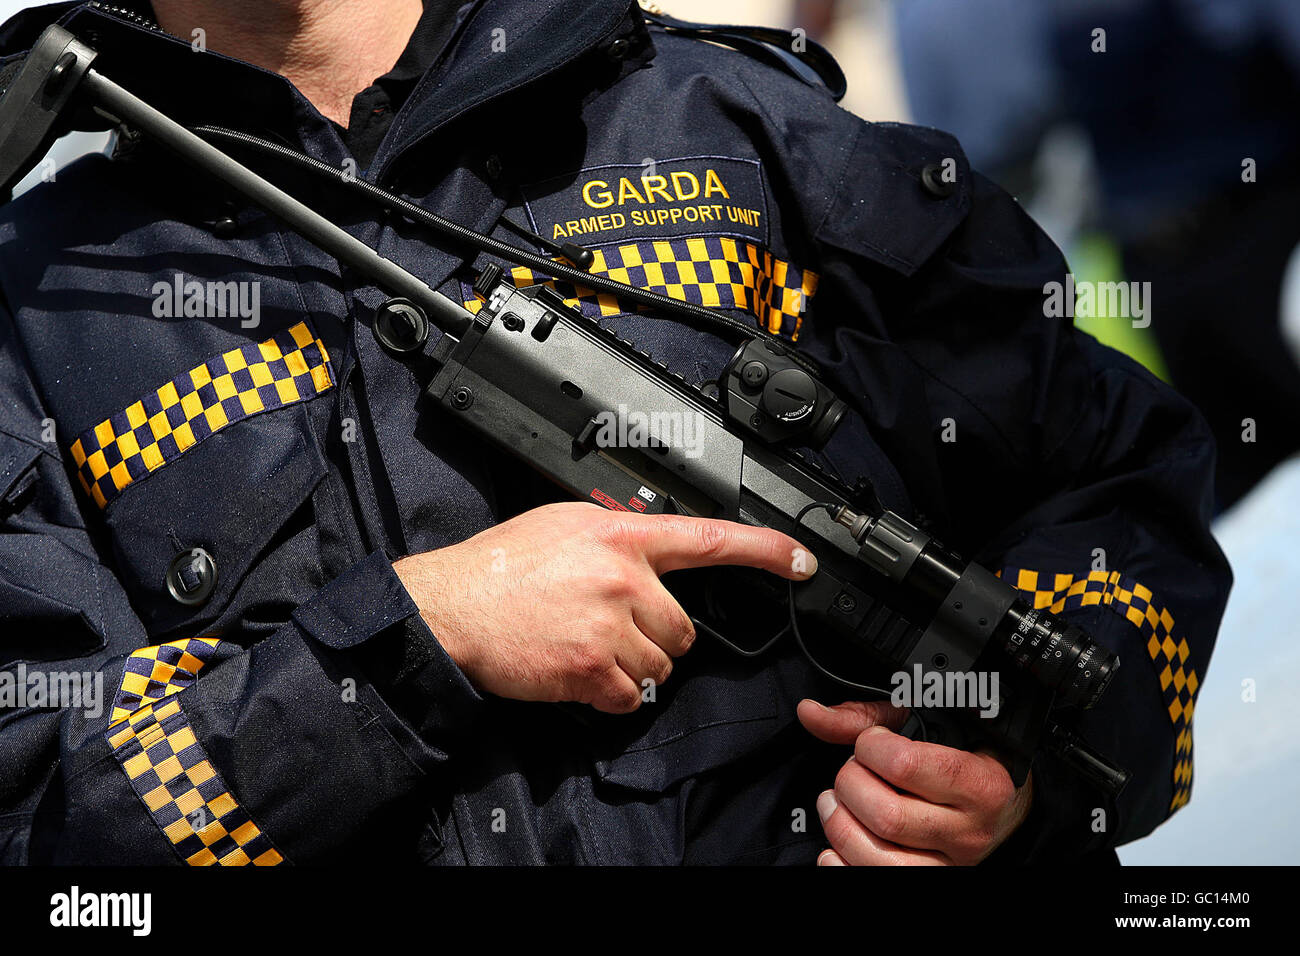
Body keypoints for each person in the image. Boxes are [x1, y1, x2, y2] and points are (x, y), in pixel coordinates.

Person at [0, 0, 1230, 865]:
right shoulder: (31, 309)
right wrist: (418, 637)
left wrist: (1017, 782)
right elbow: (51, 835)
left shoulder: (749, 135)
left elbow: (1124, 481)